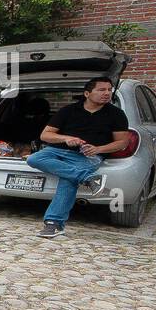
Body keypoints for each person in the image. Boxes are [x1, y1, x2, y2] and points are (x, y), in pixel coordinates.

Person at [24, 77, 129, 238]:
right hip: (57, 151)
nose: (107, 93)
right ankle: (88, 179)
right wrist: (65, 138)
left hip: (88, 156)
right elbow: (45, 135)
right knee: (33, 159)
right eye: (101, 90)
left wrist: (98, 149)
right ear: (87, 93)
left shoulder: (116, 114)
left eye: (109, 89)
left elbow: (122, 142)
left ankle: (54, 224)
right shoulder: (68, 110)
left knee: (68, 179)